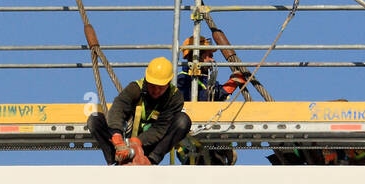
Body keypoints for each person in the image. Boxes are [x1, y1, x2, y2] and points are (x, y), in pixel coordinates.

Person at [87, 57, 191, 166]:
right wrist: (117, 136)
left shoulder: (174, 98)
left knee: (182, 121)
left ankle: (151, 161)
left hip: (151, 145)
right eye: (152, 86)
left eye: (160, 87)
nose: (156, 91)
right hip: (124, 143)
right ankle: (114, 160)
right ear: (147, 79)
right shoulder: (135, 88)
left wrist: (137, 142)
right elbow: (118, 108)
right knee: (95, 120)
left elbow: (160, 128)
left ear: (168, 83)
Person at [174, 36, 248, 166]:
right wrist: (228, 87)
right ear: (196, 57)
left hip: (210, 142)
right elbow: (201, 99)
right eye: (208, 56)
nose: (212, 59)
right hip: (190, 146)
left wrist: (230, 85)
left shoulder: (205, 80)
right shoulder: (183, 81)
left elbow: (213, 94)